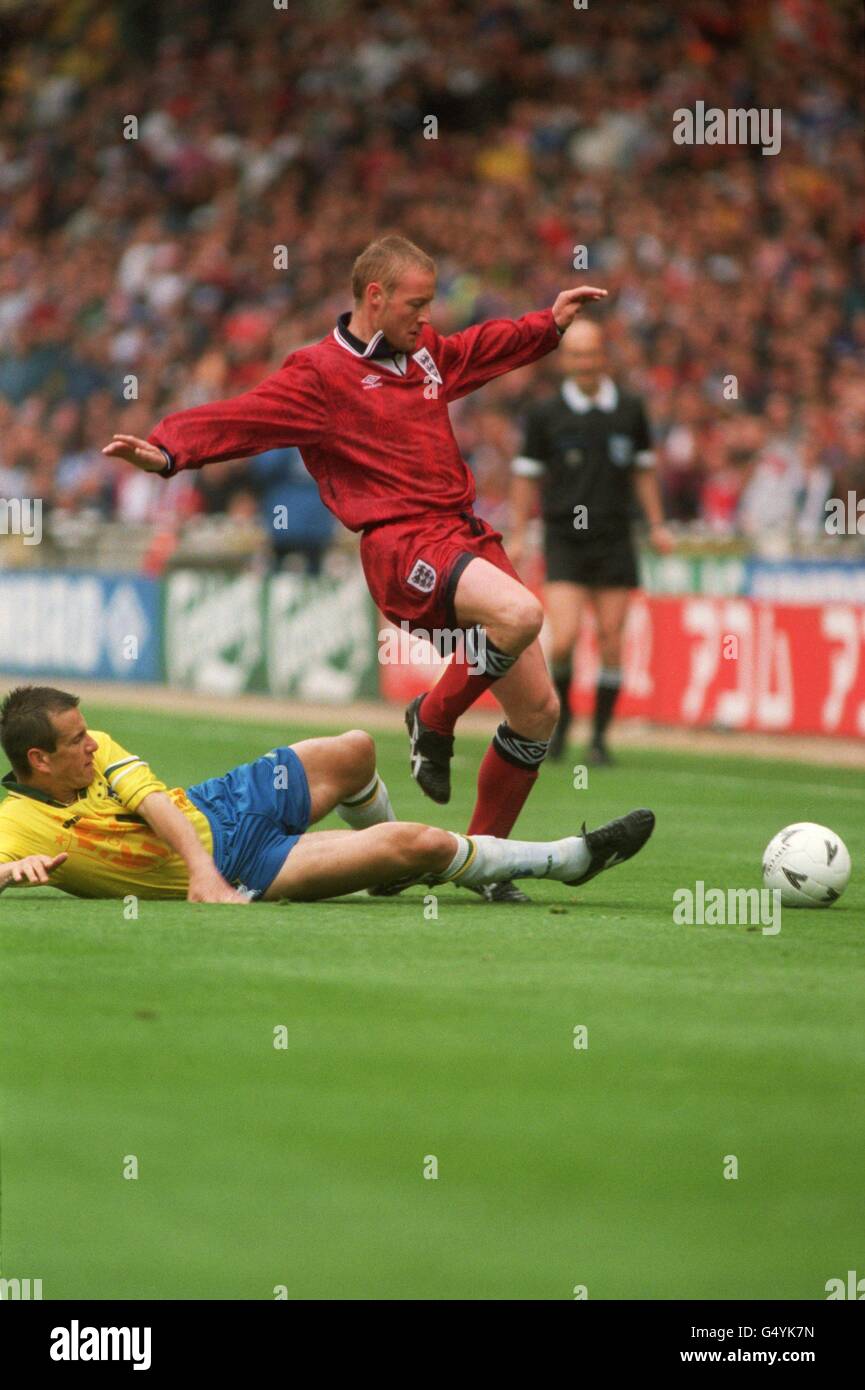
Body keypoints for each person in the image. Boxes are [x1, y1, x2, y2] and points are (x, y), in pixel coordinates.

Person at [102, 234, 607, 904]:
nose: (425, 319)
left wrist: (547, 325)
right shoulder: (318, 375)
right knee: (520, 612)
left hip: (463, 535)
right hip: (403, 546)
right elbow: (242, 417)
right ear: (375, 296)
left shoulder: (423, 354)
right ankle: (433, 715)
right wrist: (168, 450)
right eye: (415, 304)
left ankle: (485, 864)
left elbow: (477, 349)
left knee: (538, 711)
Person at [0, 686, 654, 904]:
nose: (92, 744)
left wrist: (199, 874)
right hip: (247, 867)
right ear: (39, 759)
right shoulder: (17, 823)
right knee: (418, 842)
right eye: (76, 741)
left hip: (218, 808)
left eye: (87, 734)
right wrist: (8, 874)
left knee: (354, 749)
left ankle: (388, 876)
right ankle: (568, 860)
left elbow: (154, 804)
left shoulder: (98, 745)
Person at [509, 319, 673, 765]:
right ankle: (561, 727)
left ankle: (599, 739)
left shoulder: (630, 409)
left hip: (615, 537)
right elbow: (526, 478)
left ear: (604, 356)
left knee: (612, 639)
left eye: (591, 354)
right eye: (576, 354)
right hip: (565, 537)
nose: (584, 362)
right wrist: (521, 532)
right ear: (566, 360)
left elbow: (643, 471)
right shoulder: (545, 415)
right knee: (562, 640)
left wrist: (657, 524)